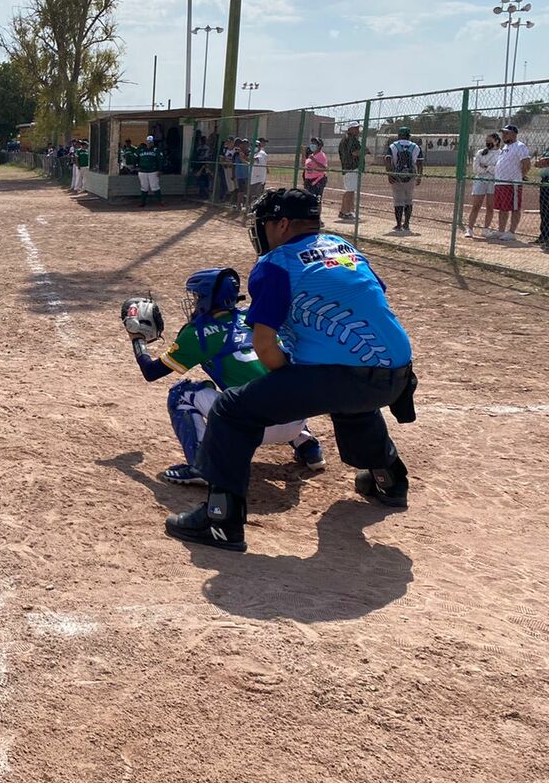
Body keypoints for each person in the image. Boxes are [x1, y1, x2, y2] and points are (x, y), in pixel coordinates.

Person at [164, 188, 417, 552]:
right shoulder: (344, 248)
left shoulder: (276, 264)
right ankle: (390, 479)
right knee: (352, 402)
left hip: (340, 377)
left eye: (265, 223)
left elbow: (264, 344)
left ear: (281, 224)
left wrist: (287, 382)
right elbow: (373, 296)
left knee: (231, 409)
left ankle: (221, 519)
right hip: (397, 372)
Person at [126, 267, 325, 486]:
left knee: (180, 394)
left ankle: (203, 467)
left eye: (197, 297)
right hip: (297, 417)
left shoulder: (198, 332)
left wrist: (137, 339)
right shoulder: (254, 316)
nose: (194, 302)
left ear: (208, 299)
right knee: (278, 380)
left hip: (258, 427)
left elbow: (151, 372)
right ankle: (309, 447)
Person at [491, 124, 531, 242]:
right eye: (503, 133)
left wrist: (519, 177)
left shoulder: (520, 146)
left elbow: (527, 164)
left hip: (512, 183)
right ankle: (501, 230)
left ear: (514, 134)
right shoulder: (505, 147)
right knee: (502, 208)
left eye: (506, 133)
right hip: (500, 182)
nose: (503, 135)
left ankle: (512, 232)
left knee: (514, 208)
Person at [384, 127, 423, 233]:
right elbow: (419, 163)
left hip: (397, 176)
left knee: (398, 201)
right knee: (408, 200)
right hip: (411, 176)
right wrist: (419, 176)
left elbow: (388, 160)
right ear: (409, 135)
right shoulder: (415, 147)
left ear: (399, 135)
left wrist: (389, 173)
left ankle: (398, 225)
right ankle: (406, 224)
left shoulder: (393, 146)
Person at [464, 134, 501, 239]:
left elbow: (497, 170)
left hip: (493, 181)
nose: (488, 143)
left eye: (490, 141)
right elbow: (476, 169)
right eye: (487, 141)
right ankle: (470, 229)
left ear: (497, 141)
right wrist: (489, 169)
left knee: (490, 206)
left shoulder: (500, 153)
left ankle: (486, 229)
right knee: (476, 206)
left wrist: (486, 167)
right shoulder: (480, 152)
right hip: (480, 180)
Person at [336, 123, 362, 221]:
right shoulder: (351, 139)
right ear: (351, 129)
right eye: (356, 128)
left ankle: (348, 211)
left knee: (350, 190)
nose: (358, 130)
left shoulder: (346, 139)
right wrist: (364, 151)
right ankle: (345, 212)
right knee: (350, 191)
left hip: (348, 167)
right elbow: (354, 153)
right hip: (351, 167)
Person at [136, 135, 162, 207]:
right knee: (144, 187)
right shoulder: (141, 149)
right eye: (148, 142)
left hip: (153, 171)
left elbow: (160, 160)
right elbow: (135, 158)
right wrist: (136, 166)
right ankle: (142, 203)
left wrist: (160, 170)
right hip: (142, 171)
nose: (149, 143)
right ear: (146, 142)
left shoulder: (156, 150)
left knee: (155, 186)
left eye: (150, 142)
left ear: (153, 142)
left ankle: (160, 202)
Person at [303, 138, 329, 204]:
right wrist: (303, 152)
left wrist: (314, 160)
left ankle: (316, 212)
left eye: (314, 144)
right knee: (307, 199)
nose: (312, 145)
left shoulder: (321, 155)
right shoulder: (311, 155)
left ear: (319, 146)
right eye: (312, 143)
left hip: (317, 180)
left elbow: (324, 168)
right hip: (308, 180)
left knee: (316, 200)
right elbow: (304, 164)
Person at [248, 138, 269, 210]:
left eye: (256, 146)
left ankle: (258, 209)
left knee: (258, 195)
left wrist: (245, 156)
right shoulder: (253, 153)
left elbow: (256, 159)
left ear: (259, 146)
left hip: (259, 179)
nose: (254, 147)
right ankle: (250, 209)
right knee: (251, 195)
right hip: (253, 177)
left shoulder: (262, 154)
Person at [233, 139, 251, 212]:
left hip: (246, 174)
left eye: (246, 144)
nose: (245, 145)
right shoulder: (238, 153)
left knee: (246, 191)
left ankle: (245, 205)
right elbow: (243, 160)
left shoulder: (246, 152)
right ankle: (238, 205)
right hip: (241, 175)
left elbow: (247, 158)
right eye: (244, 144)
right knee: (241, 191)